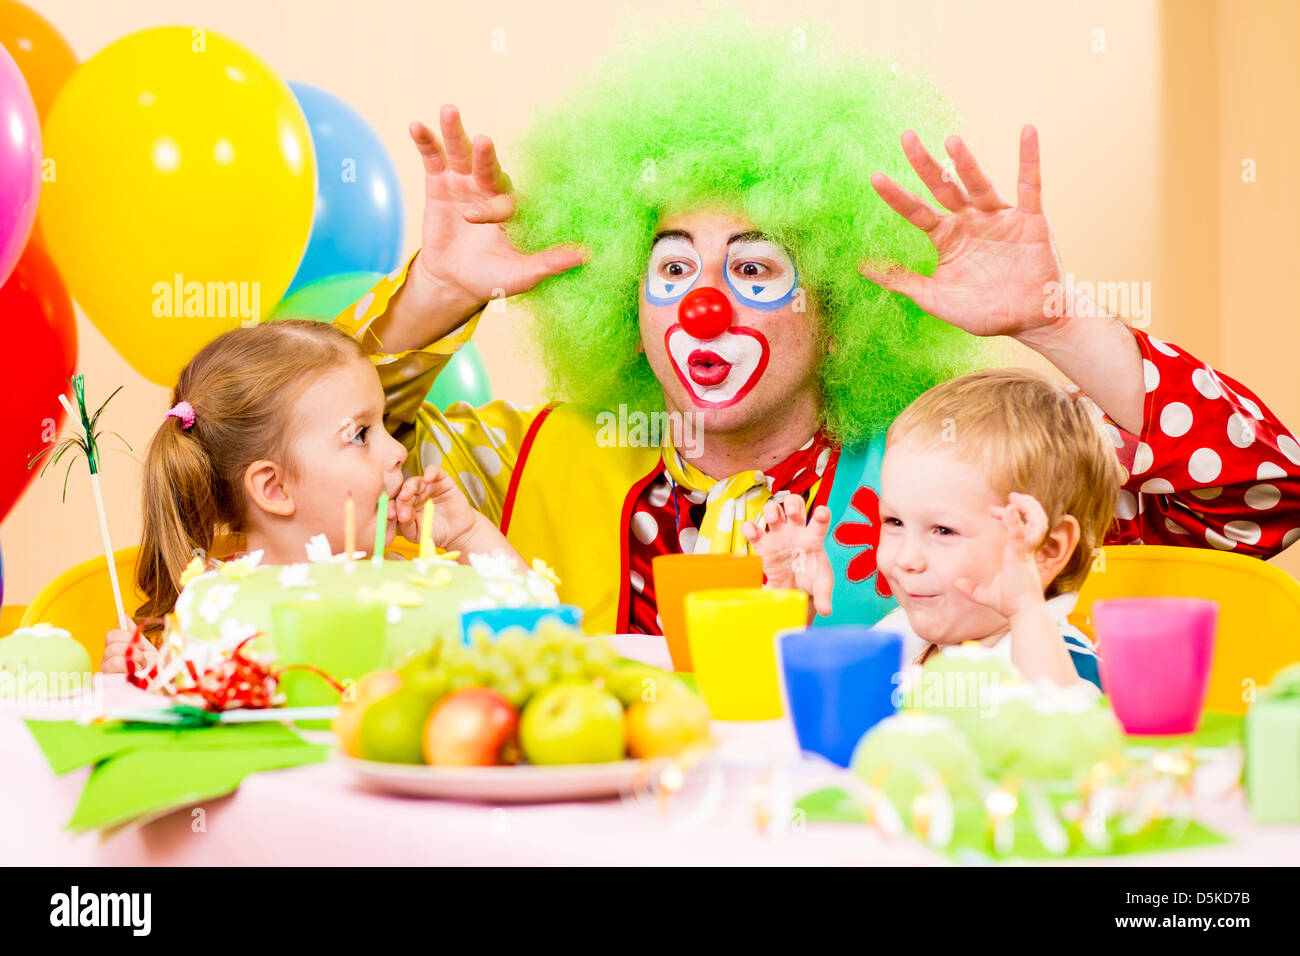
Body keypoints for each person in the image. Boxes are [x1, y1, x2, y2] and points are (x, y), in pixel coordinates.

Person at [335, 20, 1299, 638]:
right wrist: (435, 296)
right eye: (672, 268)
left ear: (839, 317)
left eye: (755, 268)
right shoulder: (527, 461)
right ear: (625, 298)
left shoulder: (954, 477)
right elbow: (282, 469)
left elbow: (1262, 496)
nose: (704, 303)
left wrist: (1055, 320)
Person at [100, 319, 520, 674]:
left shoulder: (406, 584)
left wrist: (466, 535)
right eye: (360, 434)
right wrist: (139, 678)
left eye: (384, 425)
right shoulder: (213, 611)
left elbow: (529, 633)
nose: (397, 451)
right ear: (274, 488)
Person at [745, 368, 1123, 689]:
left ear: (1048, 550)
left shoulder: (1064, 663)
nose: (906, 559)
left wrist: (1025, 610)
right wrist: (791, 616)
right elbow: (796, 717)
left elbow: (1062, 737)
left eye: (943, 531)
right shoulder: (903, 639)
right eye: (893, 522)